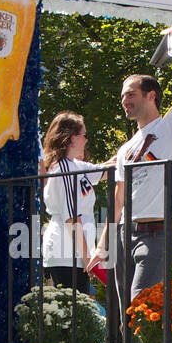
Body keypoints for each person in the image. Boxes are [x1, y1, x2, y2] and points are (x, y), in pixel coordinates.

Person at [88, 26, 172, 343]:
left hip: (157, 232)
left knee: (142, 304)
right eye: (123, 97)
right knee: (124, 311)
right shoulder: (125, 148)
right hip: (123, 234)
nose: (125, 100)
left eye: (131, 94)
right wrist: (104, 242)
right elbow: (118, 195)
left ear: (151, 95)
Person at [39, 112, 106, 296]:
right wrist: (87, 257)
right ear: (71, 138)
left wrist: (137, 150)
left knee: (77, 315)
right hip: (67, 254)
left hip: (74, 255)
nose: (86, 140)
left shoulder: (75, 165)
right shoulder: (64, 169)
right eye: (84, 135)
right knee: (73, 317)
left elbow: (108, 169)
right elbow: (71, 217)